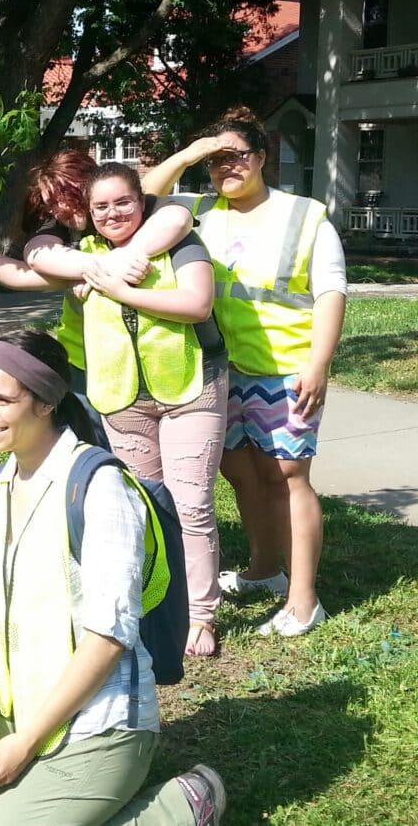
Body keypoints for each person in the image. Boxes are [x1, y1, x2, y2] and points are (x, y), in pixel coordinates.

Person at [0, 328, 225, 826]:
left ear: (44, 403)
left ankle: (178, 806)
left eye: (2, 400)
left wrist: (26, 741)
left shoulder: (100, 489)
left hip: (100, 724)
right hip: (15, 697)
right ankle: (39, 800)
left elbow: (107, 639)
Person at [142, 107, 347, 637]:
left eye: (236, 156)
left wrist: (318, 365)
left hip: (286, 369)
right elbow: (140, 196)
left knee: (287, 477)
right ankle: (264, 571)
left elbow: (331, 293)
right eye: (217, 160)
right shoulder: (199, 210)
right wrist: (191, 153)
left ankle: (303, 599)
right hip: (219, 369)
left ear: (262, 157)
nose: (225, 167)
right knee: (241, 473)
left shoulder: (303, 215)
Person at [0, 149, 195, 449]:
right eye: (50, 202)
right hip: (86, 365)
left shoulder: (132, 219)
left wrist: (116, 263)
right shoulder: (62, 231)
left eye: (64, 195)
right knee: (95, 452)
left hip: (154, 364)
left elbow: (177, 216)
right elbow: (25, 269)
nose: (59, 209)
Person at [74, 162, 227, 657]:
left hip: (189, 387)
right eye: (101, 206)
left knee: (191, 504)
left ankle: (200, 614)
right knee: (143, 507)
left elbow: (198, 303)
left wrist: (123, 291)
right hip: (122, 395)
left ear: (141, 201)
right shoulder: (89, 256)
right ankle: (152, 602)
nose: (113, 213)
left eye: (123, 201)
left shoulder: (178, 240)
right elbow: (31, 265)